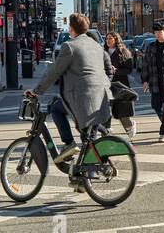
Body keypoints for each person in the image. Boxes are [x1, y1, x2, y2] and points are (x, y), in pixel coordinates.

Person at [27, 14, 113, 165]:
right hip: (101, 96)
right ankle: (85, 177)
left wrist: (37, 91)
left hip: (82, 98)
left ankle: (69, 144)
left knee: (55, 108)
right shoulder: (97, 46)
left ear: (71, 29)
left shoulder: (69, 46)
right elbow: (107, 67)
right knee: (88, 138)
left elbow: (54, 72)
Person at [104, 32, 136, 137]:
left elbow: (129, 69)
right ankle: (106, 131)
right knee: (106, 109)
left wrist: (116, 70)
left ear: (116, 40)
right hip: (105, 84)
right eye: (107, 38)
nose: (108, 40)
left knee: (121, 109)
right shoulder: (102, 52)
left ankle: (129, 127)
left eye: (110, 38)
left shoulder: (124, 52)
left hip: (119, 84)